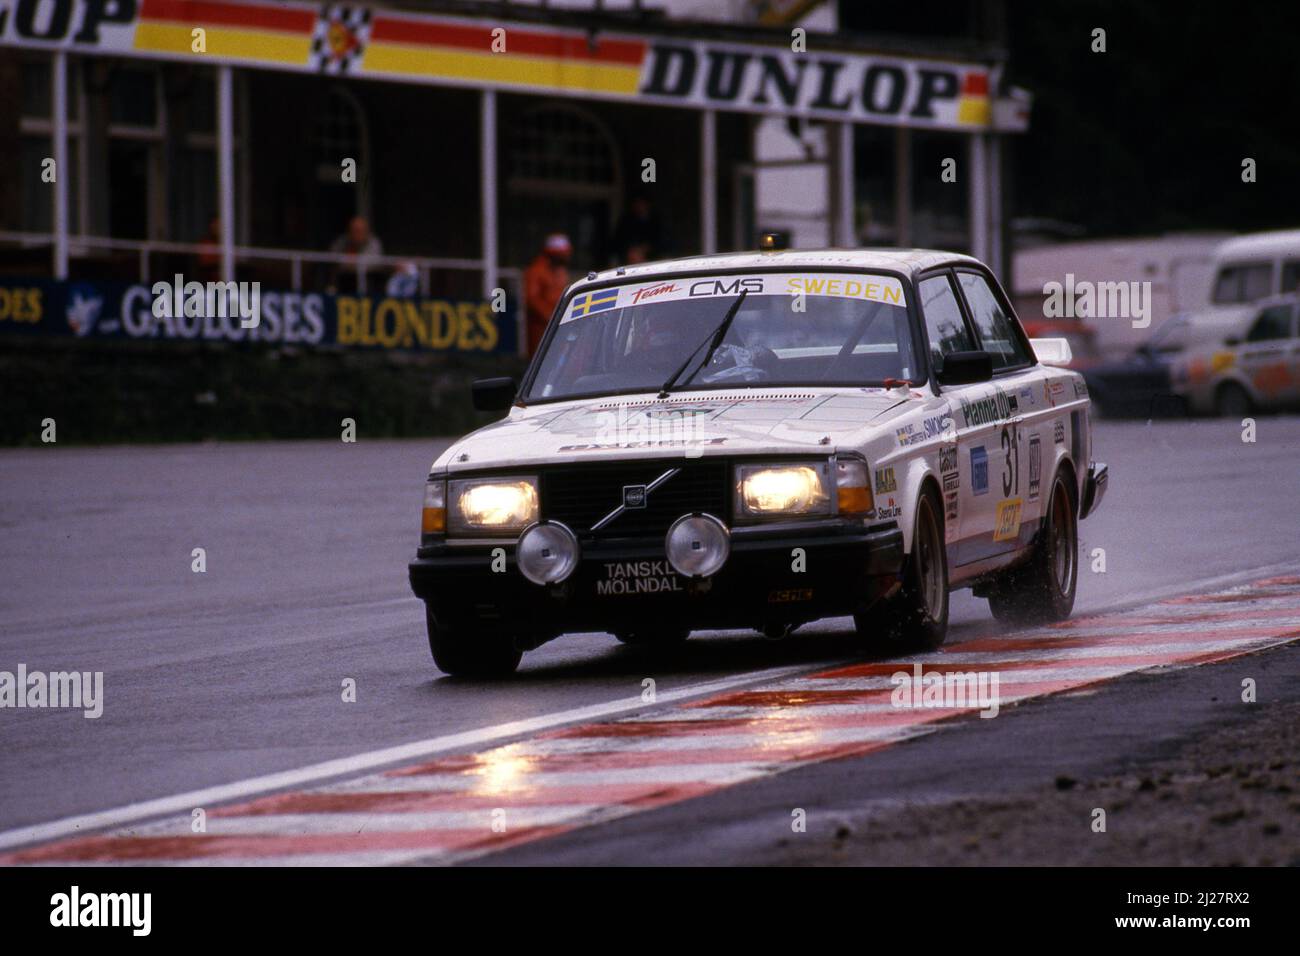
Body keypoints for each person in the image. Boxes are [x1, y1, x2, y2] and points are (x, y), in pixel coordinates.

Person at [524, 233, 572, 355]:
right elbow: (532, 299)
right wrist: (552, 317)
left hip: (560, 326)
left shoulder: (560, 271)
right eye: (562, 255)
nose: (566, 258)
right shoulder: (536, 271)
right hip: (541, 329)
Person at [329, 215, 383, 293]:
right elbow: (332, 258)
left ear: (367, 231)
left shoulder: (374, 243)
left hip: (369, 283)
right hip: (344, 282)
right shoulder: (342, 242)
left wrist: (353, 263)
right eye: (354, 230)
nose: (357, 234)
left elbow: (373, 264)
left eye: (360, 231)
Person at [609, 194, 664, 266]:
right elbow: (618, 241)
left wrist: (645, 248)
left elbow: (659, 241)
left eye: (641, 203)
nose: (639, 206)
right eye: (637, 203)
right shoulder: (627, 221)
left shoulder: (656, 222)